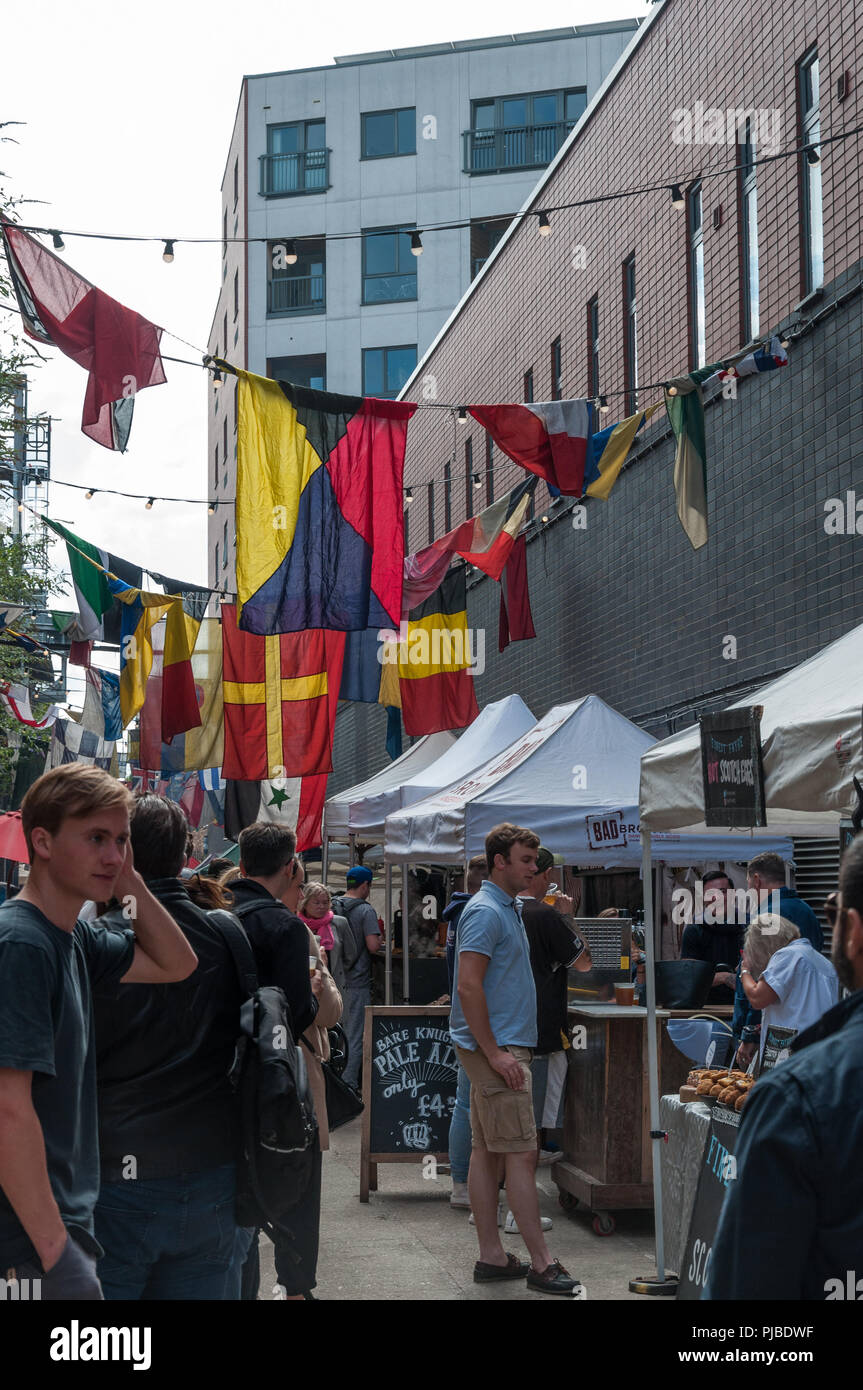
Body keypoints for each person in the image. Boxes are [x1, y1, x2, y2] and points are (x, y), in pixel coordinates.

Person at [0, 765, 197, 1299]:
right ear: (41, 841)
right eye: (95, 839)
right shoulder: (23, 944)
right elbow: (7, 1109)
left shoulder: (73, 939)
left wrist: (128, 881)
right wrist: (55, 1253)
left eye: (121, 840)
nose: (112, 855)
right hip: (24, 1248)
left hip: (58, 1233)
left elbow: (177, 962)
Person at [91, 795, 245, 1299]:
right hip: (211, 1163)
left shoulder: (93, 942)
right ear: (183, 856)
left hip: (116, 1169)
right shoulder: (225, 931)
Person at [704, 836, 863, 1300]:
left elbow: (747, 1284)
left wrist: (745, 975)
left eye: (834, 914)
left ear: (852, 933)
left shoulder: (798, 1100)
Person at [450, 822, 581, 1296]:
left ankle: (492, 1256)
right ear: (500, 861)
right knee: (523, 1154)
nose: (534, 868)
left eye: (535, 861)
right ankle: (542, 1266)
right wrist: (495, 1053)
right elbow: (467, 985)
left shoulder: (506, 906)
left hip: (499, 1046)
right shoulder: (487, 910)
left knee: (489, 1152)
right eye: (526, 860)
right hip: (499, 1049)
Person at [228, 824, 320, 1302]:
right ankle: (297, 1287)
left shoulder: (215, 912)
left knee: (235, 1197)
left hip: (219, 1076)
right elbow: (298, 1011)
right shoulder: (285, 927)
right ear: (289, 869)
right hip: (274, 1077)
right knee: (295, 1181)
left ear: (242, 864)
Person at [519, 847, 591, 1196]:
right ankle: (521, 1205)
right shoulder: (544, 916)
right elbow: (584, 962)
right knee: (528, 1125)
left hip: (502, 1029)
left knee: (496, 1128)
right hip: (540, 1028)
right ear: (546, 876)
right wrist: (567, 916)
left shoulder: (495, 909)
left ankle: (486, 1202)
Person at [733, 853, 825, 1065]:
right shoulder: (807, 911)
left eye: (748, 885)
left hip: (773, 1030)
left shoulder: (764, 918)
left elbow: (757, 983)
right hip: (810, 1026)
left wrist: (748, 1034)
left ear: (756, 880)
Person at [444, 855, 487, 1210]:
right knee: (471, 1104)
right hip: (475, 1022)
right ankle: (466, 1185)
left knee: (465, 1103)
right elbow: (471, 984)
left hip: (463, 1020)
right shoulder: (477, 913)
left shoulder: (459, 912)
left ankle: (463, 1183)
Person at [738, 913, 838, 1065]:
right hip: (821, 1050)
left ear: (764, 944)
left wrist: (744, 971)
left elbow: (757, 998)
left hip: (792, 1054)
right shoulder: (823, 962)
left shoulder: (787, 955)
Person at [332, 866, 381, 1091]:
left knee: (334, 1033)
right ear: (365, 886)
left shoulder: (332, 905)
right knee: (354, 1035)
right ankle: (348, 1085)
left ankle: (332, 1080)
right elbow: (373, 946)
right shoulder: (365, 911)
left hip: (333, 980)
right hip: (356, 982)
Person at [680, 871, 743, 1005]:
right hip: (704, 1008)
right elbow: (688, 977)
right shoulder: (694, 929)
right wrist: (724, 977)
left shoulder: (750, 926)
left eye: (723, 891)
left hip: (744, 1008)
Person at [297, 880, 337, 964]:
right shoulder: (296, 924)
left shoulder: (339, 923)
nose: (321, 906)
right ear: (305, 903)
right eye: (316, 903)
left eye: (325, 902)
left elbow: (350, 955)